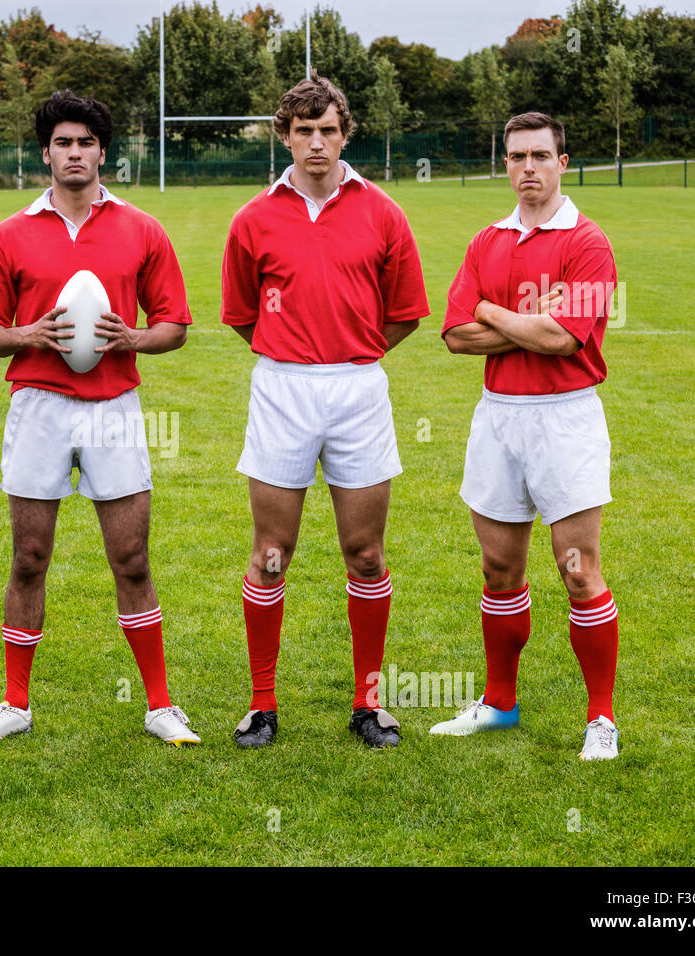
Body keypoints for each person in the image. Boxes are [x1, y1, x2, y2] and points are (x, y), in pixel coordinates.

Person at [0, 90, 199, 745]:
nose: (74, 153)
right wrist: (29, 333)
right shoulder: (9, 234)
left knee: (130, 558)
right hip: (37, 407)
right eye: (63, 143)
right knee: (29, 556)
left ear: (103, 153)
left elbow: (176, 324)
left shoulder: (141, 229)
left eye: (85, 143)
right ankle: (14, 703)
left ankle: (159, 705)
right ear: (46, 153)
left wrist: (133, 340)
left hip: (115, 408)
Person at [220, 72, 429, 749]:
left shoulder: (382, 211)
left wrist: (351, 354)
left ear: (345, 135)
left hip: (359, 389)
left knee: (365, 555)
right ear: (285, 136)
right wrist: (293, 354)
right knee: (272, 554)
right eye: (304, 130)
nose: (317, 142)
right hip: (281, 389)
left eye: (328, 130)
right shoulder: (253, 218)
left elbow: (404, 314)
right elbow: (243, 315)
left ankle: (369, 704)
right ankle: (262, 704)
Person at [434, 111, 621, 760]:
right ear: (505, 164)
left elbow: (563, 337)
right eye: (517, 157)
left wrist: (490, 309)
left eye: (541, 156)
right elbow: (458, 336)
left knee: (577, 571)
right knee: (499, 569)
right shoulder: (487, 240)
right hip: (498, 415)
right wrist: (517, 317)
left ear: (563, 163)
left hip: (565, 419)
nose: (528, 169)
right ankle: (500, 704)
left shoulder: (587, 242)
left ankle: (601, 718)